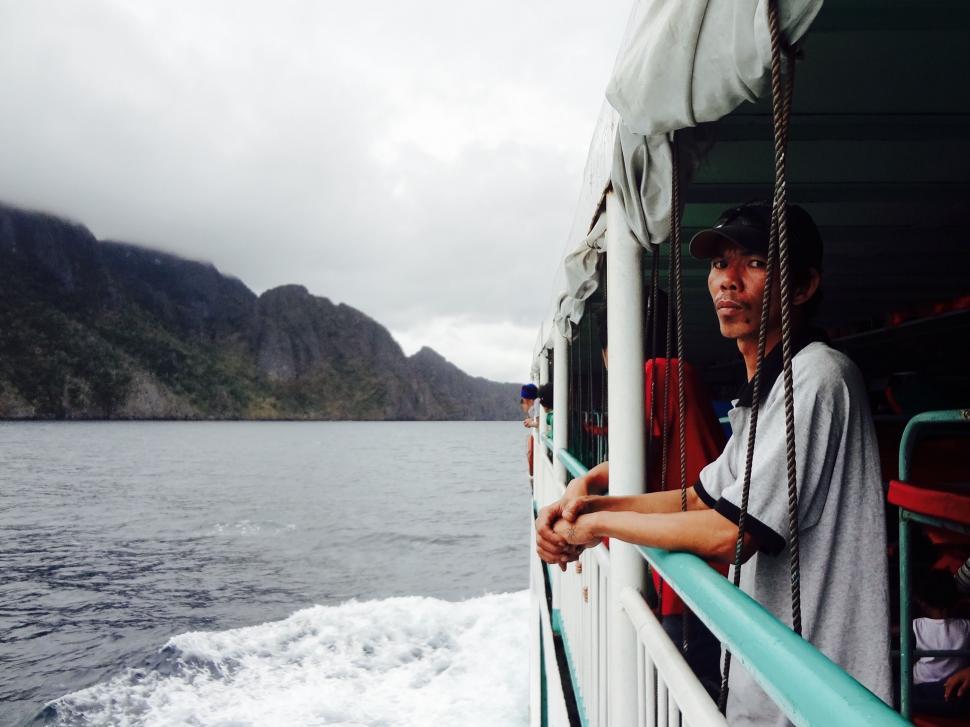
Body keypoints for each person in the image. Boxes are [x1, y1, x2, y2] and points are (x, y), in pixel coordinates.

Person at [535, 201, 892, 725]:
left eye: (754, 262)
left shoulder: (815, 378)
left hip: (819, 693)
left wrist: (594, 526)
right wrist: (585, 502)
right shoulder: (761, 394)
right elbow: (698, 497)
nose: (729, 280)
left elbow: (734, 534)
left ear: (803, 286)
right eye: (720, 264)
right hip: (773, 678)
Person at [911, 569, 970, 717]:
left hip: (920, 688)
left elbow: (890, 631)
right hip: (953, 688)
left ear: (921, 601)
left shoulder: (915, 625)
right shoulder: (966, 626)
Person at [521, 384, 539, 478]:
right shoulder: (536, 405)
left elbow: (540, 423)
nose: (523, 402)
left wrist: (530, 423)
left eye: (523, 400)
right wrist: (531, 421)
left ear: (529, 400)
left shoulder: (537, 404)